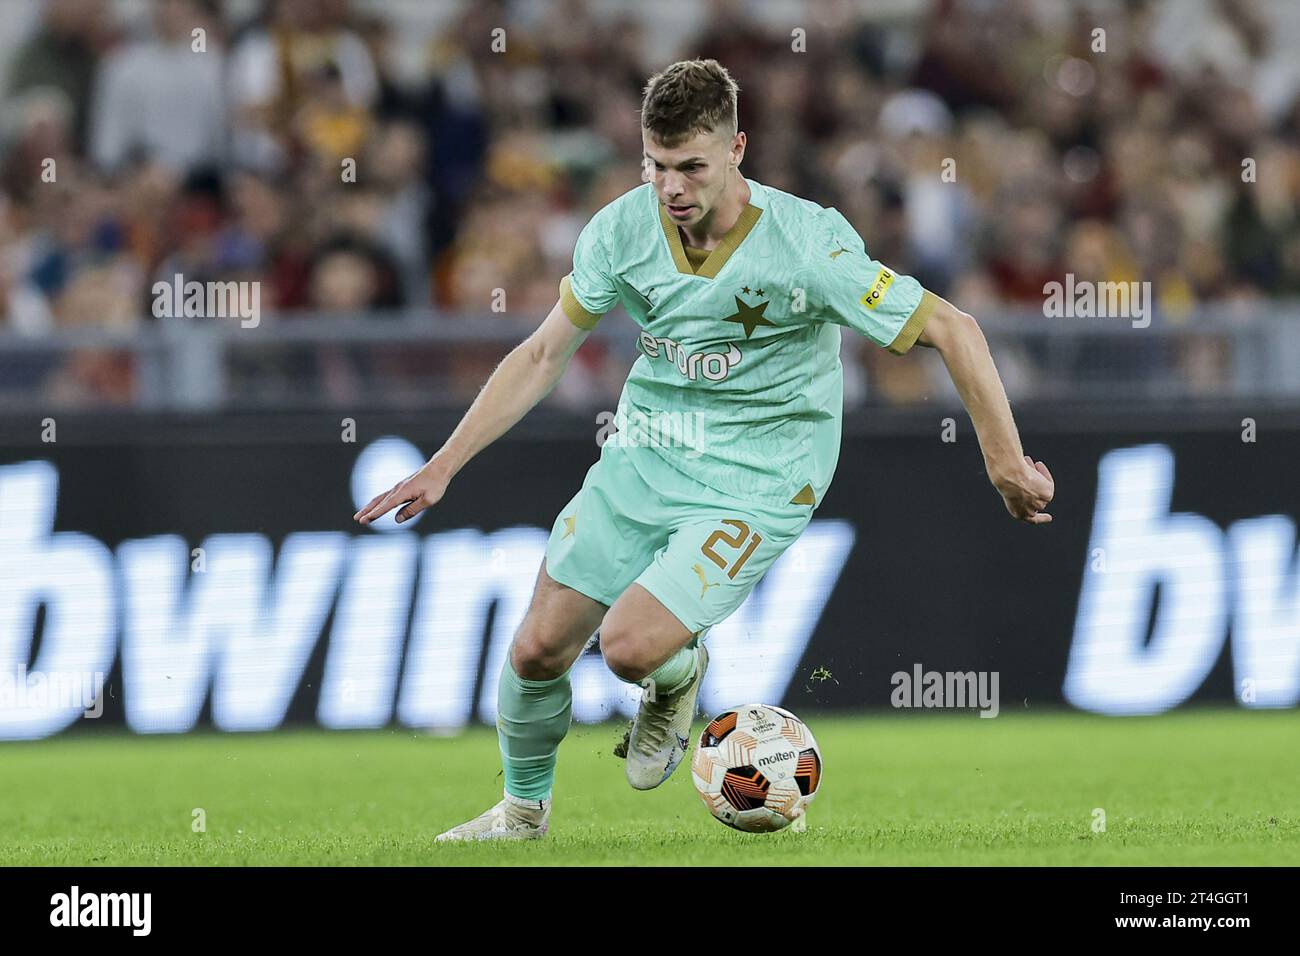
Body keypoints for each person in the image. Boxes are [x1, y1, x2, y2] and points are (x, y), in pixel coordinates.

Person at [353, 59, 1054, 841]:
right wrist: (444, 463)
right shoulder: (621, 230)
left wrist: (1002, 462)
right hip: (649, 452)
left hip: (764, 473)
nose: (672, 188)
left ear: (736, 150)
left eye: (691, 166)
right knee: (538, 650)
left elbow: (955, 329)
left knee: (627, 648)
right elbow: (543, 355)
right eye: (657, 166)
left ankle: (677, 678)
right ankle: (522, 816)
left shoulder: (808, 244)